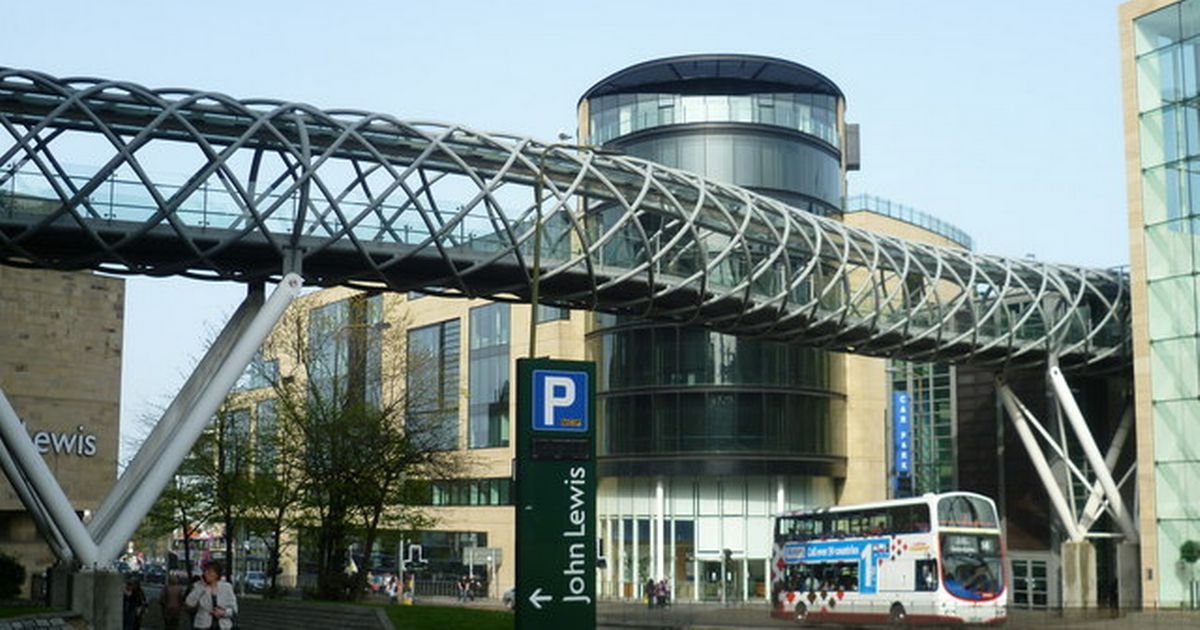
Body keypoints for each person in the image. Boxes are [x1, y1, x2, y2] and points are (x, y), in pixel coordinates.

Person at [185, 560, 238, 630]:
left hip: (223, 626)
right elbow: (189, 603)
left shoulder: (227, 587)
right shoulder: (198, 586)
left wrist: (224, 613)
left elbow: (234, 609)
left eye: (209, 572)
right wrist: (202, 586)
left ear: (216, 574)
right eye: (205, 571)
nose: (206, 573)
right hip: (202, 626)